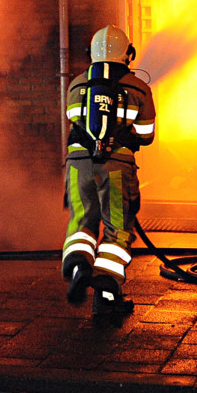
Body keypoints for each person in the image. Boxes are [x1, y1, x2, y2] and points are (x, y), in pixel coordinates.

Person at [60, 26, 155, 322]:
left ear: (91, 53)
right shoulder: (139, 88)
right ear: (129, 54)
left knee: (81, 221)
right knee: (117, 229)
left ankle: (79, 268)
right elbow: (147, 134)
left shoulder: (76, 84)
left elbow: (74, 120)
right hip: (116, 168)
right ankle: (107, 293)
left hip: (77, 166)